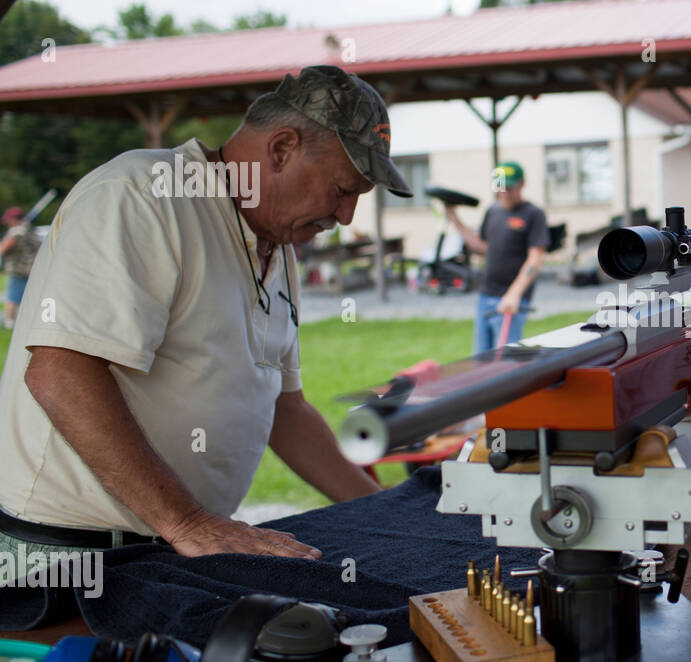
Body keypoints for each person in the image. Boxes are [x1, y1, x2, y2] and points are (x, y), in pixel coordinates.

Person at [0, 65, 406, 577]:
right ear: (281, 149)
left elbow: (287, 410)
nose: (345, 216)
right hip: (73, 555)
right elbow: (59, 373)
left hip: (173, 541)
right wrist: (188, 522)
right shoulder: (144, 196)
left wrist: (381, 510)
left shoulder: (276, 249)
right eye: (342, 189)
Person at [444, 161, 549, 354]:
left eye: (509, 187)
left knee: (505, 362)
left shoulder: (533, 214)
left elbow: (535, 257)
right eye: (500, 187)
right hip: (486, 295)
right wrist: (453, 217)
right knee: (480, 359)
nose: (504, 192)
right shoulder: (493, 212)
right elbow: (483, 247)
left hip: (511, 300)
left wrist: (514, 293)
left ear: (522, 184)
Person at [1, 206, 41, 329]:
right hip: (33, 269)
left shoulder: (17, 231)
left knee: (12, 298)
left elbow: (3, 248)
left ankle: (9, 323)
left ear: (13, 219)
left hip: (19, 269)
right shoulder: (30, 229)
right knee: (33, 297)